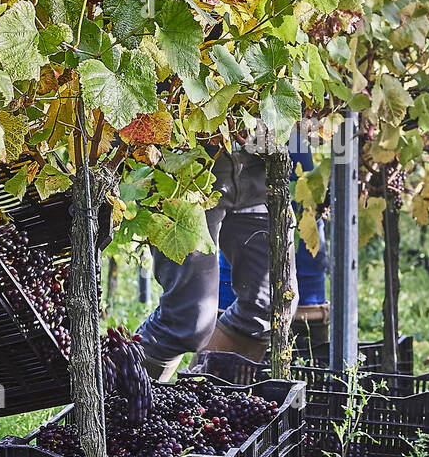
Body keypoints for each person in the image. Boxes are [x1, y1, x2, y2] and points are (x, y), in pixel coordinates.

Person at [136, 140, 299, 380]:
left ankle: (202, 405)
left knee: (270, 304)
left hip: (258, 164)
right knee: (189, 321)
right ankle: (122, 404)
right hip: (185, 169)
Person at [217, 129, 329, 360]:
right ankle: (214, 372)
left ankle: (304, 355)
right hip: (241, 122)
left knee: (300, 207)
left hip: (272, 124)